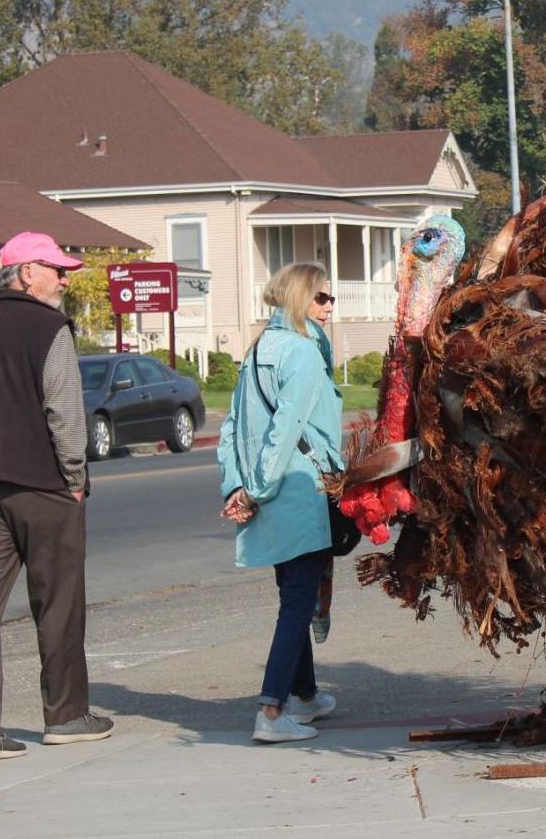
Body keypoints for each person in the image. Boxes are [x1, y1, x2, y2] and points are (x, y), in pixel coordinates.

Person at [0, 231, 113, 765]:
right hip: (45, 487)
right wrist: (75, 476)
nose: (64, 278)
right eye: (57, 269)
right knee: (57, 602)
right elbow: (63, 409)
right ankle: (65, 716)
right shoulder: (49, 327)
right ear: (26, 272)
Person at [217, 262, 343, 743]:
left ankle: (306, 696)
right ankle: (271, 712)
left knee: (296, 592)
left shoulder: (257, 351)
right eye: (321, 298)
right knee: (297, 601)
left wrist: (236, 486)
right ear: (299, 300)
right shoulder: (303, 353)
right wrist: (257, 488)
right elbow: (286, 429)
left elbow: (231, 428)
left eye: (330, 298)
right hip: (296, 488)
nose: (329, 306)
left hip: (267, 492)